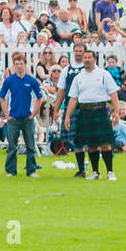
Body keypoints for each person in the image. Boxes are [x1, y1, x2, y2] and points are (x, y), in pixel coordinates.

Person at [63, 48, 120, 179]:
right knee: (91, 144)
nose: (87, 60)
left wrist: (116, 111)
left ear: (95, 59)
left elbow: (113, 93)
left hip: (100, 110)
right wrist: (67, 116)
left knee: (105, 142)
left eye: (89, 57)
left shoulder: (103, 74)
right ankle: (95, 172)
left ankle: (110, 172)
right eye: (85, 58)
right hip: (85, 111)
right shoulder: (79, 77)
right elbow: (73, 98)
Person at [0, 50, 43, 177]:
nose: (19, 66)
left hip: (27, 118)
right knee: (12, 146)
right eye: (17, 63)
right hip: (13, 118)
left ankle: (31, 170)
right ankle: (11, 171)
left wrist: (33, 114)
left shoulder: (32, 81)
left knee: (30, 145)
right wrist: (7, 115)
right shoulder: (9, 81)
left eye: (21, 63)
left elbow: (39, 98)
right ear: (14, 65)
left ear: (25, 64)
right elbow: (2, 97)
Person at [51, 42, 89, 176]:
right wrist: (55, 110)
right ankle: (81, 170)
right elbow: (61, 91)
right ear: (73, 52)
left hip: (88, 107)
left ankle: (94, 168)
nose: (78, 53)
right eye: (76, 51)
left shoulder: (89, 68)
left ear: (85, 52)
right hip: (71, 108)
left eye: (81, 51)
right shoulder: (67, 69)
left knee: (91, 139)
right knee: (77, 140)